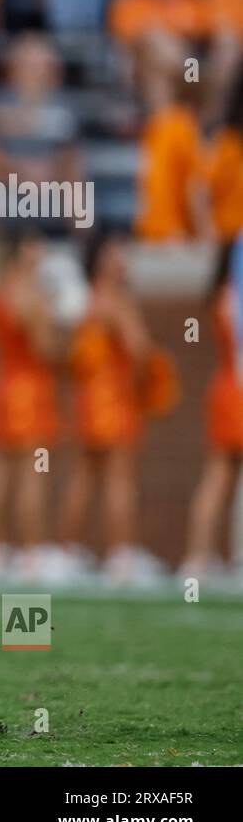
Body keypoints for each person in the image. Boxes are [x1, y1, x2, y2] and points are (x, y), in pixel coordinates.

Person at [59, 235, 178, 585]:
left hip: (89, 399)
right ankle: (122, 554)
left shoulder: (91, 296)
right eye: (115, 251)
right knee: (120, 477)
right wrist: (145, 385)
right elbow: (140, 349)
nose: (123, 257)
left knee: (85, 475)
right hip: (114, 399)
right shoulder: (116, 298)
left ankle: (67, 550)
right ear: (101, 260)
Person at [0, 234, 61, 581]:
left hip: (2, 384)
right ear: (22, 249)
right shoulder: (29, 293)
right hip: (30, 389)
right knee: (33, 473)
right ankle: (31, 553)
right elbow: (46, 349)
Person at [183, 239, 243, 579]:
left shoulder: (220, 294)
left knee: (218, 475)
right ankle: (232, 557)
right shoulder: (234, 298)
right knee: (222, 477)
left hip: (222, 387)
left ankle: (198, 558)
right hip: (237, 385)